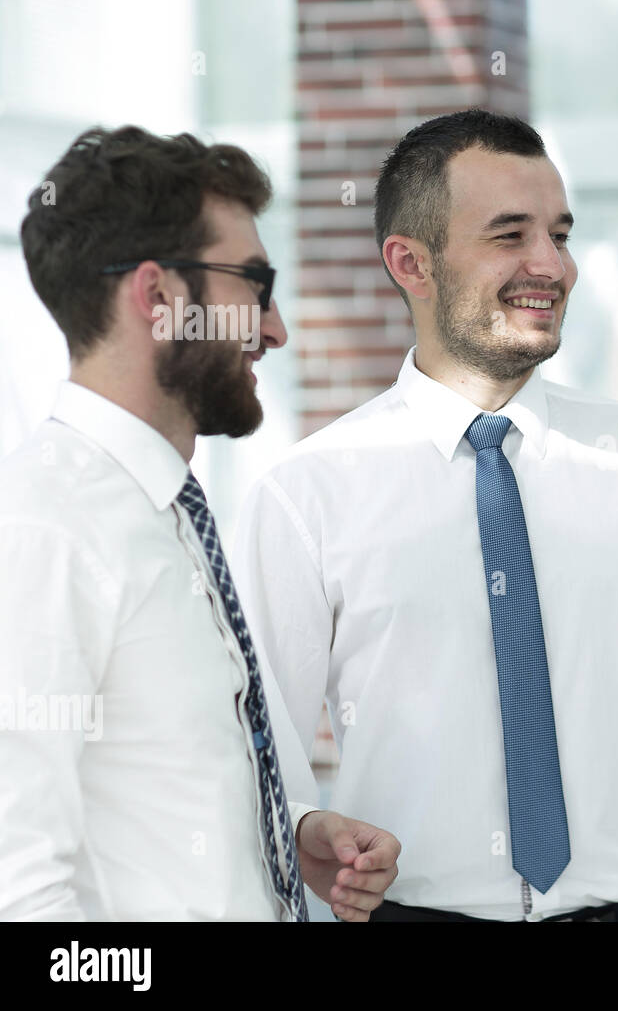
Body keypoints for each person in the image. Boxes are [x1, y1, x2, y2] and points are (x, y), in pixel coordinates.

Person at [230, 108, 618, 922]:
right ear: (411, 263)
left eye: (560, 235)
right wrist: (310, 826)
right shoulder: (308, 492)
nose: (552, 265)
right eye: (510, 235)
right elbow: (256, 753)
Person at [0, 126, 401, 921]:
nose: (275, 328)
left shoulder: (166, 507)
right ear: (158, 297)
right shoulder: (45, 529)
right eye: (252, 284)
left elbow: (155, 782)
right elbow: (18, 889)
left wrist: (288, 832)